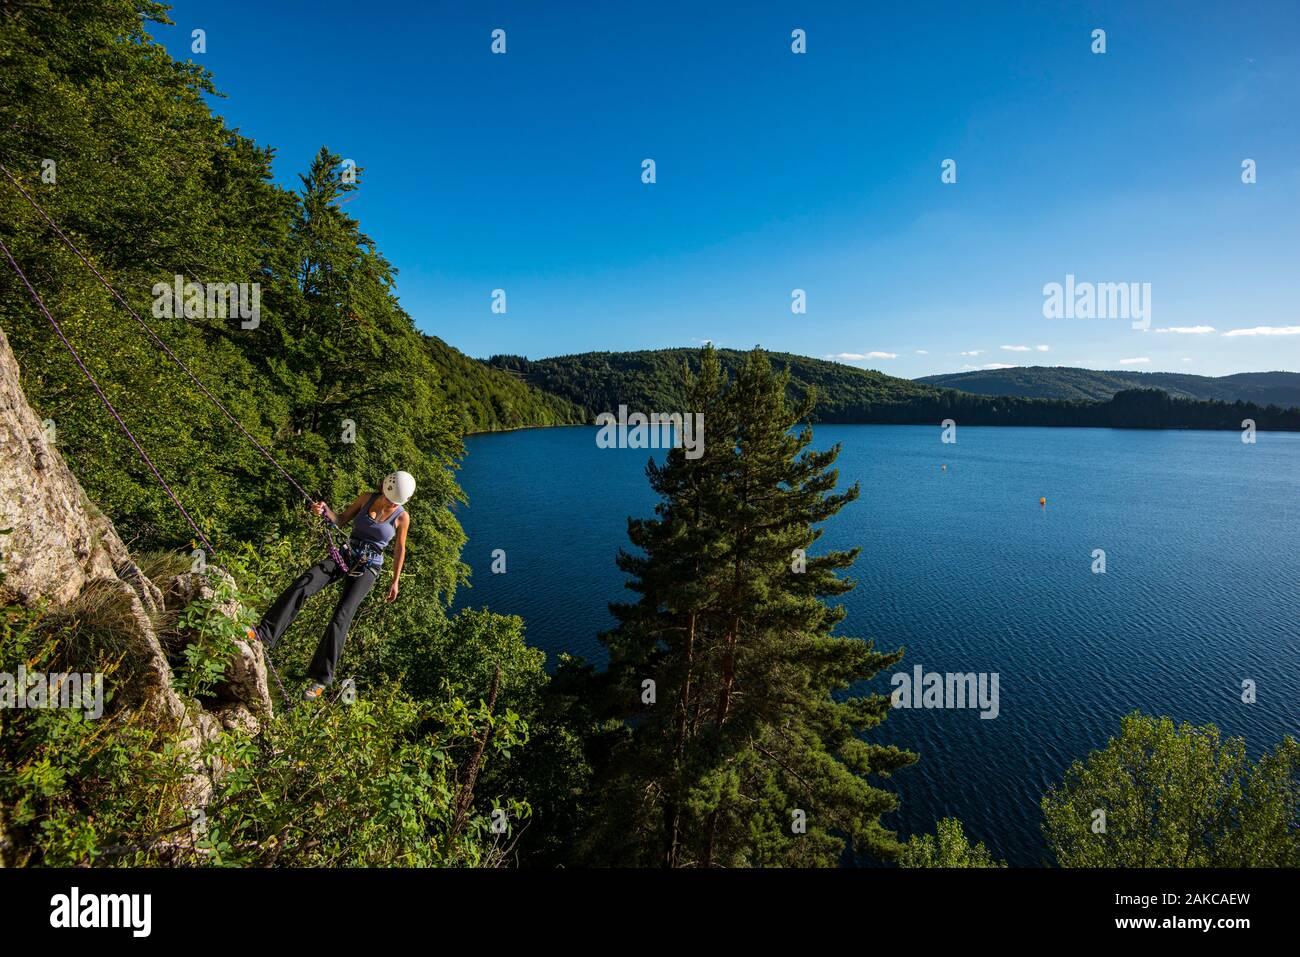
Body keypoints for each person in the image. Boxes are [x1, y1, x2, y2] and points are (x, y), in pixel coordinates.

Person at [248, 471, 414, 700]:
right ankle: (263, 633)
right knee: (304, 583)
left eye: (395, 501)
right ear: (384, 488)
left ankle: (321, 679)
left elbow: (399, 549)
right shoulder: (366, 498)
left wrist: (395, 580)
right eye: (388, 497)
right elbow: (341, 519)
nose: (390, 502)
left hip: (369, 566)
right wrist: (324, 511)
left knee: (341, 616)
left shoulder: (402, 517)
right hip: (347, 553)